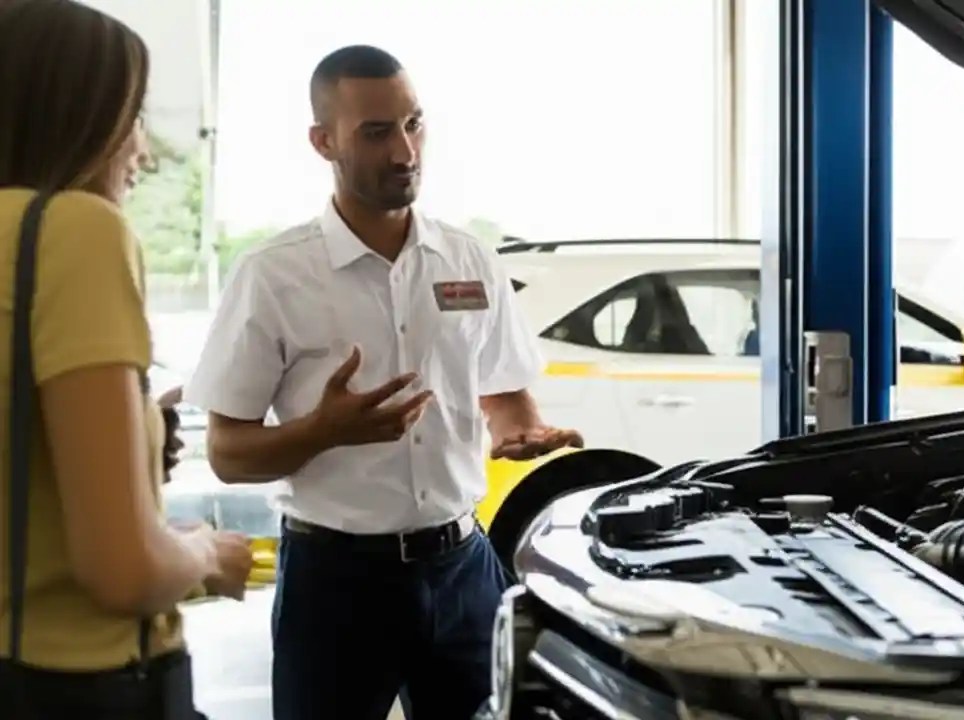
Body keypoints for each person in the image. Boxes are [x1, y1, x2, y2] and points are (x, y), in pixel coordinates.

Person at [183, 44, 583, 720]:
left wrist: (523, 432)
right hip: (335, 584)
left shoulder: (468, 259)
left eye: (413, 124)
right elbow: (226, 454)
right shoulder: (273, 276)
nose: (405, 151)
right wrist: (323, 431)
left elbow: (505, 397)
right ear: (323, 141)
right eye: (376, 132)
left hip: (464, 570)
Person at [0, 1, 254, 717]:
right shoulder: (76, 230)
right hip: (84, 683)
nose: (140, 149)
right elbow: (123, 570)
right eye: (132, 115)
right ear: (78, 113)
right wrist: (206, 551)